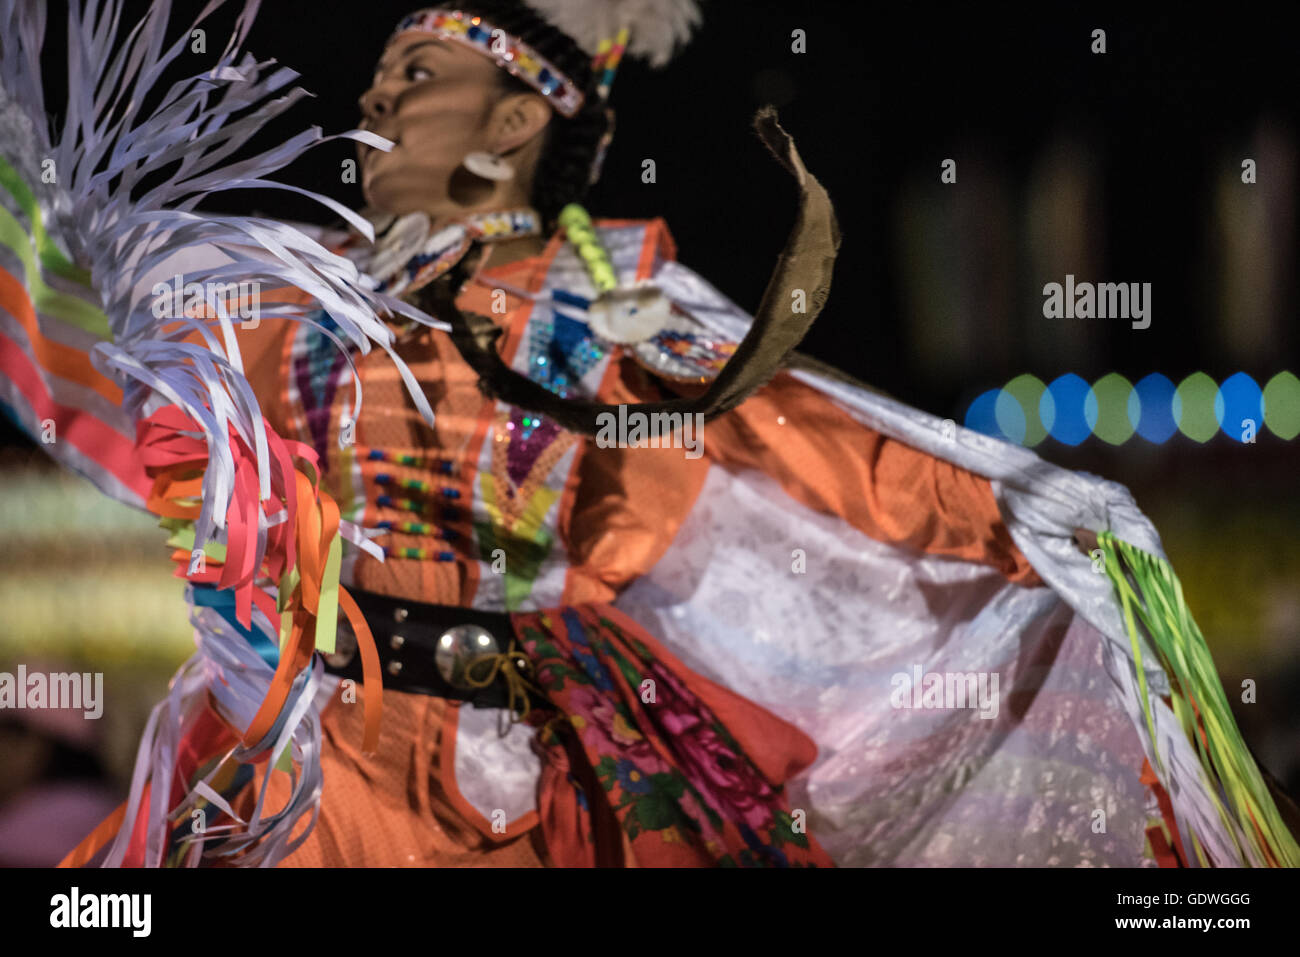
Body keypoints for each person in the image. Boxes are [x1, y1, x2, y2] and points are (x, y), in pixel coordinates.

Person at [3, 0, 1296, 868]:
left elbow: (809, 443)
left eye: (418, 78)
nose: (373, 95)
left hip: (535, 757)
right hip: (310, 743)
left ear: (517, 124)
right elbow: (115, 373)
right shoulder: (305, 296)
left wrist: (1023, 513)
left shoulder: (613, 299)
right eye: (383, 71)